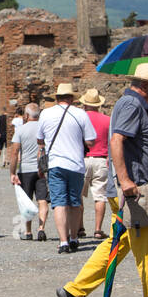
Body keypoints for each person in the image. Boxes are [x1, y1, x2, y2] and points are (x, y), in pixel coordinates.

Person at [55, 64, 148, 297]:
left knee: (119, 242)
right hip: (134, 190)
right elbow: (116, 141)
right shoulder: (132, 105)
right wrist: (125, 180)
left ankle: (74, 292)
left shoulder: (134, 104)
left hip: (134, 188)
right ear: (146, 86)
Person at [37, 83, 96, 254]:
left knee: (59, 203)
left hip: (55, 164)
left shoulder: (46, 114)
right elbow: (91, 141)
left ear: (57, 98)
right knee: (75, 202)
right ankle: (74, 238)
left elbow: (39, 139)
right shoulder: (81, 114)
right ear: (71, 98)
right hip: (76, 164)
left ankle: (63, 242)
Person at [10, 103, 49, 240]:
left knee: (26, 201)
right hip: (42, 170)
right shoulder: (44, 128)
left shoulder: (20, 130)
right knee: (42, 200)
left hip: (25, 170)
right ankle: (41, 228)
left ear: (26, 115)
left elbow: (14, 152)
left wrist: (12, 172)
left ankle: (28, 231)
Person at [80, 89, 112, 239]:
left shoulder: (80, 118)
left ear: (84, 104)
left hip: (82, 159)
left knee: (78, 196)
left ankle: (79, 227)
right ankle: (98, 229)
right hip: (101, 159)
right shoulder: (108, 120)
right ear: (98, 104)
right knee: (100, 196)